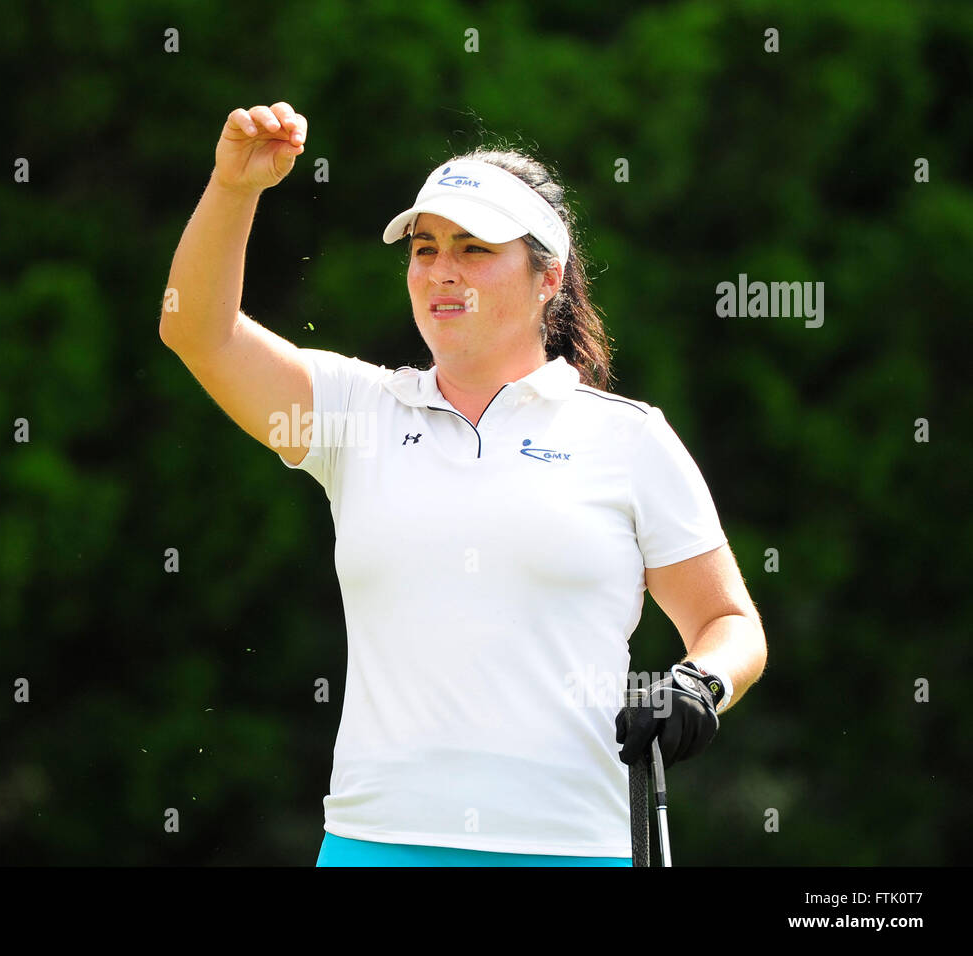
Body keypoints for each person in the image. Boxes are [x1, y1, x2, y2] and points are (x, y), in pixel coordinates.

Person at [160, 102, 768, 867]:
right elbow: (196, 330)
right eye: (425, 248)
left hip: (574, 845)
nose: (441, 270)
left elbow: (728, 621)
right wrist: (232, 188)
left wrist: (697, 684)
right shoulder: (359, 413)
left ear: (548, 278)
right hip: (375, 843)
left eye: (475, 248)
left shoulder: (627, 438)